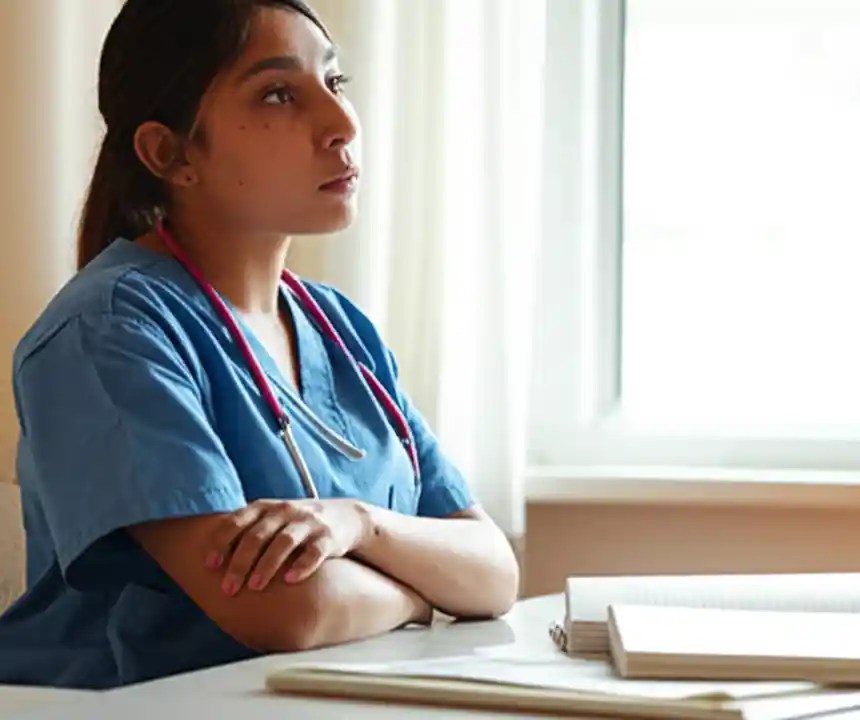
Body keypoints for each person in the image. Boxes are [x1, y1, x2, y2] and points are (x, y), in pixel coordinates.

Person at [0, 0, 519, 689]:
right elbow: (283, 611)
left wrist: (359, 525)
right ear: (171, 153)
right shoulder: (111, 330)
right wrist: (424, 598)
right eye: (279, 93)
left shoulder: (340, 328)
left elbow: (491, 572)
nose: (342, 125)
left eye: (335, 84)